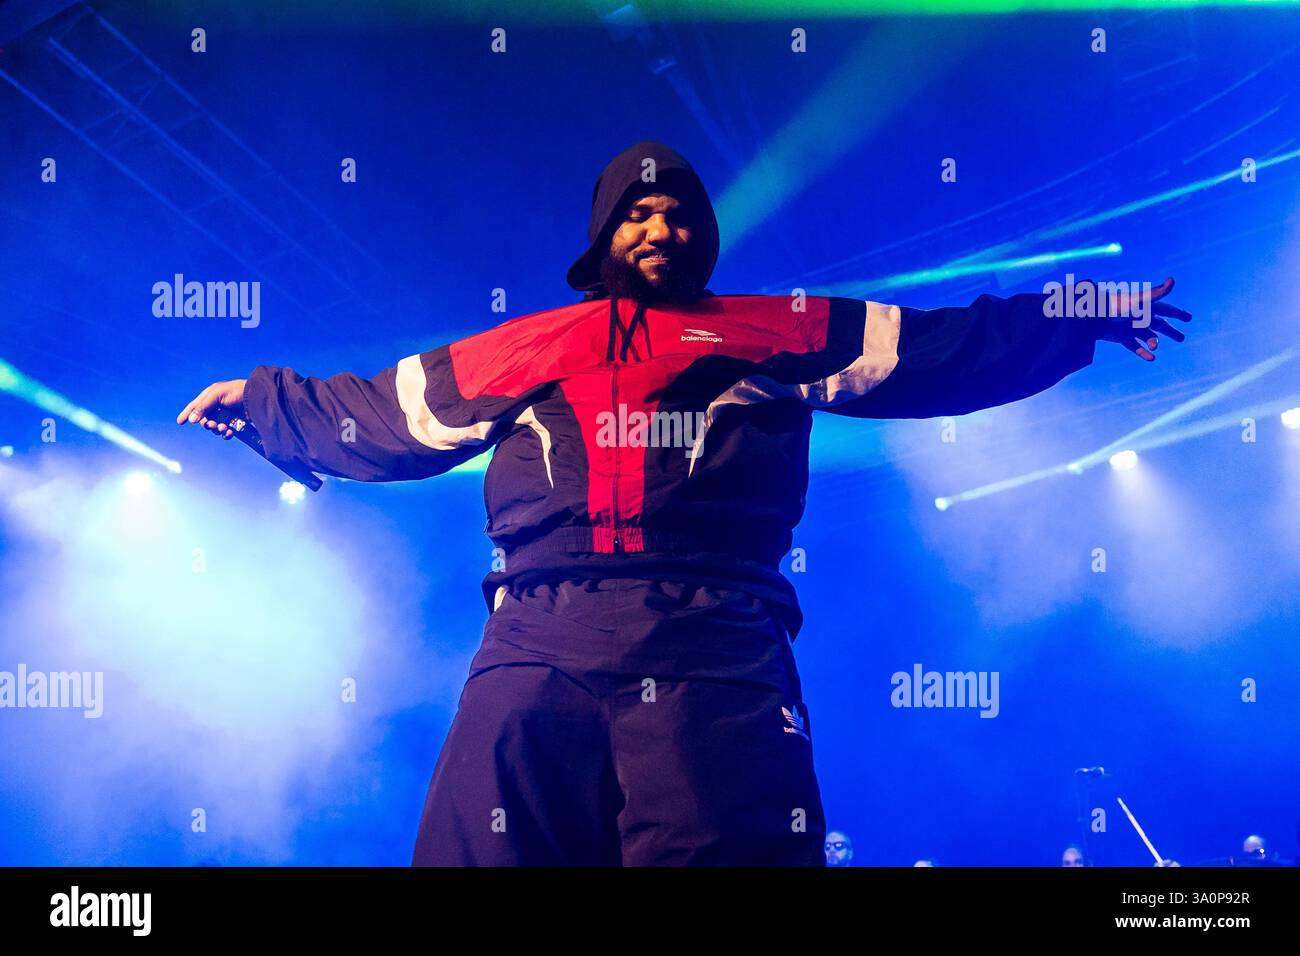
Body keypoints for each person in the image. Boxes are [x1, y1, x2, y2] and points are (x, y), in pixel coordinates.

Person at [177, 141, 1192, 866]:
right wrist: (268, 403)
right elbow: (387, 411)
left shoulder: (777, 327)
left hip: (715, 636)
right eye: (637, 211)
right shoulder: (527, 344)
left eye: (676, 215)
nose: (658, 225)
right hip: (541, 631)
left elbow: (939, 346)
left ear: (701, 235)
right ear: (604, 233)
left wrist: (1079, 310)